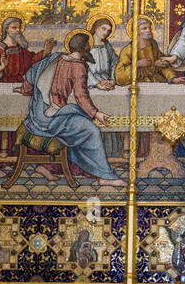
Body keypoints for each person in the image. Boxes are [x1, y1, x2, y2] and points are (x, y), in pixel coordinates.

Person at [18, 31, 123, 186]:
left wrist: (25, 90)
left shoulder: (56, 57)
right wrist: (96, 114)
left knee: (78, 123)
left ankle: (49, 167)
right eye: (88, 44)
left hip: (37, 116)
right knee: (92, 131)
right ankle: (105, 176)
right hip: (51, 119)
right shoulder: (78, 66)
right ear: (85, 47)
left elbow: (32, 74)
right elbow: (81, 96)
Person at [0, 17, 54, 83]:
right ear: (6, 29)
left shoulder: (20, 49)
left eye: (19, 27)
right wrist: (2, 67)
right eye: (14, 28)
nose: (18, 30)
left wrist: (46, 51)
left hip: (20, 84)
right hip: (2, 85)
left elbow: (32, 60)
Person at [115, 16, 185, 85]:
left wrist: (172, 78)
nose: (148, 30)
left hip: (156, 81)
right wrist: (137, 64)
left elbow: (162, 64)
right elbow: (119, 77)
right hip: (139, 84)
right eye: (144, 28)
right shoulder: (128, 50)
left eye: (149, 28)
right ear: (137, 32)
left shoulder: (153, 45)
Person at [86, 16, 119, 89]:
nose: (106, 33)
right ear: (96, 27)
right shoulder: (86, 44)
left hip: (106, 81)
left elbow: (114, 63)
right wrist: (97, 84)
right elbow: (83, 67)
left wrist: (112, 80)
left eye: (108, 31)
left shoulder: (107, 46)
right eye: (103, 29)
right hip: (89, 83)